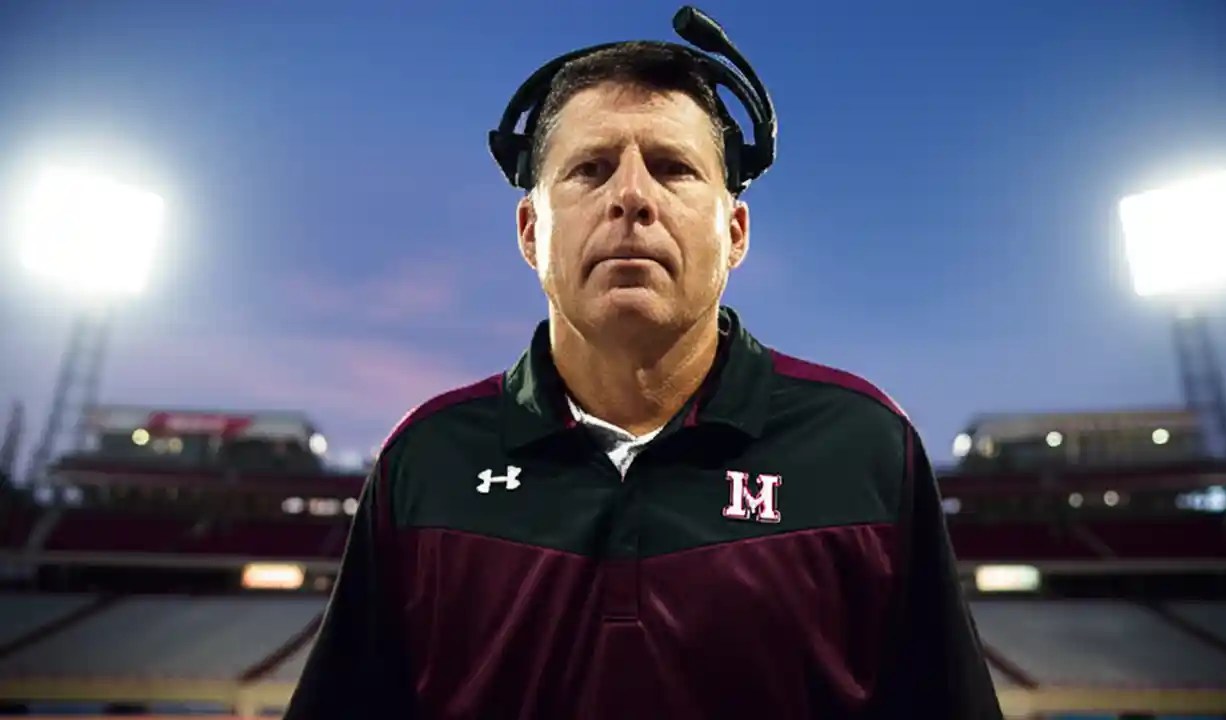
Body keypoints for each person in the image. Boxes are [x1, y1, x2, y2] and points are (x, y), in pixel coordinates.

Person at [283, 36, 1002, 720]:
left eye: (672, 167)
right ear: (531, 231)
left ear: (736, 233)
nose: (631, 196)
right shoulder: (426, 461)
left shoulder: (863, 447)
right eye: (591, 169)